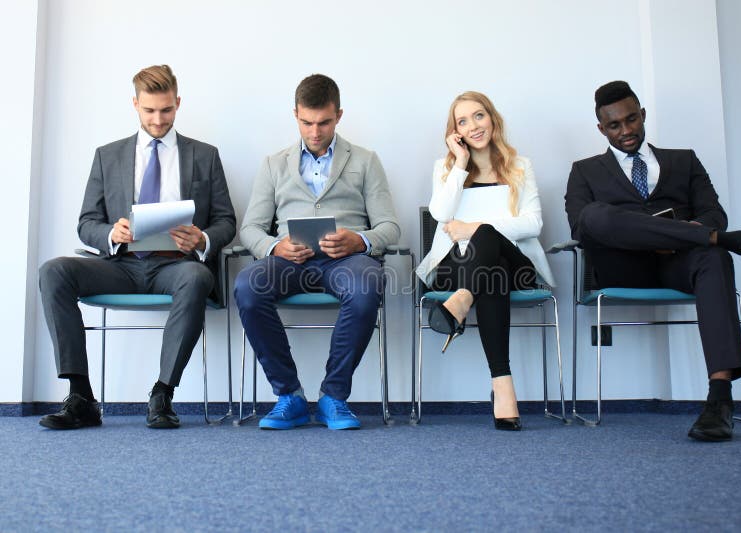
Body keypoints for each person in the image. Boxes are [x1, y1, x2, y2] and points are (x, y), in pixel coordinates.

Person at [565, 80, 741, 441]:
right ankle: (740, 244)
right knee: (594, 216)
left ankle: (719, 400)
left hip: (677, 266)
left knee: (714, 257)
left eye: (632, 119)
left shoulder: (683, 160)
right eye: (614, 125)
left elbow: (714, 213)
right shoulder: (585, 170)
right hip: (623, 269)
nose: (626, 131)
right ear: (601, 129)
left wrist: (687, 233)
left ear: (643, 115)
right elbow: (580, 227)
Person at [38, 65, 236, 430]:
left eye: (166, 110)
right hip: (121, 266)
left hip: (175, 267)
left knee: (196, 276)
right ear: (135, 104)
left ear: (177, 103)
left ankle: (163, 394)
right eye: (149, 110)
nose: (158, 119)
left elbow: (226, 221)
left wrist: (203, 238)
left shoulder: (205, 156)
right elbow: (86, 223)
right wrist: (112, 234)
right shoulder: (107, 156)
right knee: (53, 271)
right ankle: (81, 396)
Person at [235, 74, 400, 430]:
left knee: (366, 287)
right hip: (287, 261)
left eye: (324, 122)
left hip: (347, 260)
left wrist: (358, 240)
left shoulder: (366, 161)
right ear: (295, 115)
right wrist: (275, 245)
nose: (315, 131)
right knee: (248, 287)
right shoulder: (273, 164)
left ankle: (334, 397)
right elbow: (250, 228)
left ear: (339, 115)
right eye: (307, 122)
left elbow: (390, 226)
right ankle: (289, 396)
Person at [416, 91, 556, 431]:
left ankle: (462, 301)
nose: (473, 126)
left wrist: (474, 228)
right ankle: (503, 385)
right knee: (490, 275)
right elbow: (440, 214)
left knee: (490, 240)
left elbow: (533, 222)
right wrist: (460, 164)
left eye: (479, 116)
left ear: (492, 119)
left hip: (517, 266)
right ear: (455, 132)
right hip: (459, 265)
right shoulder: (446, 169)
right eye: (462, 121)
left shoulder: (520, 166)